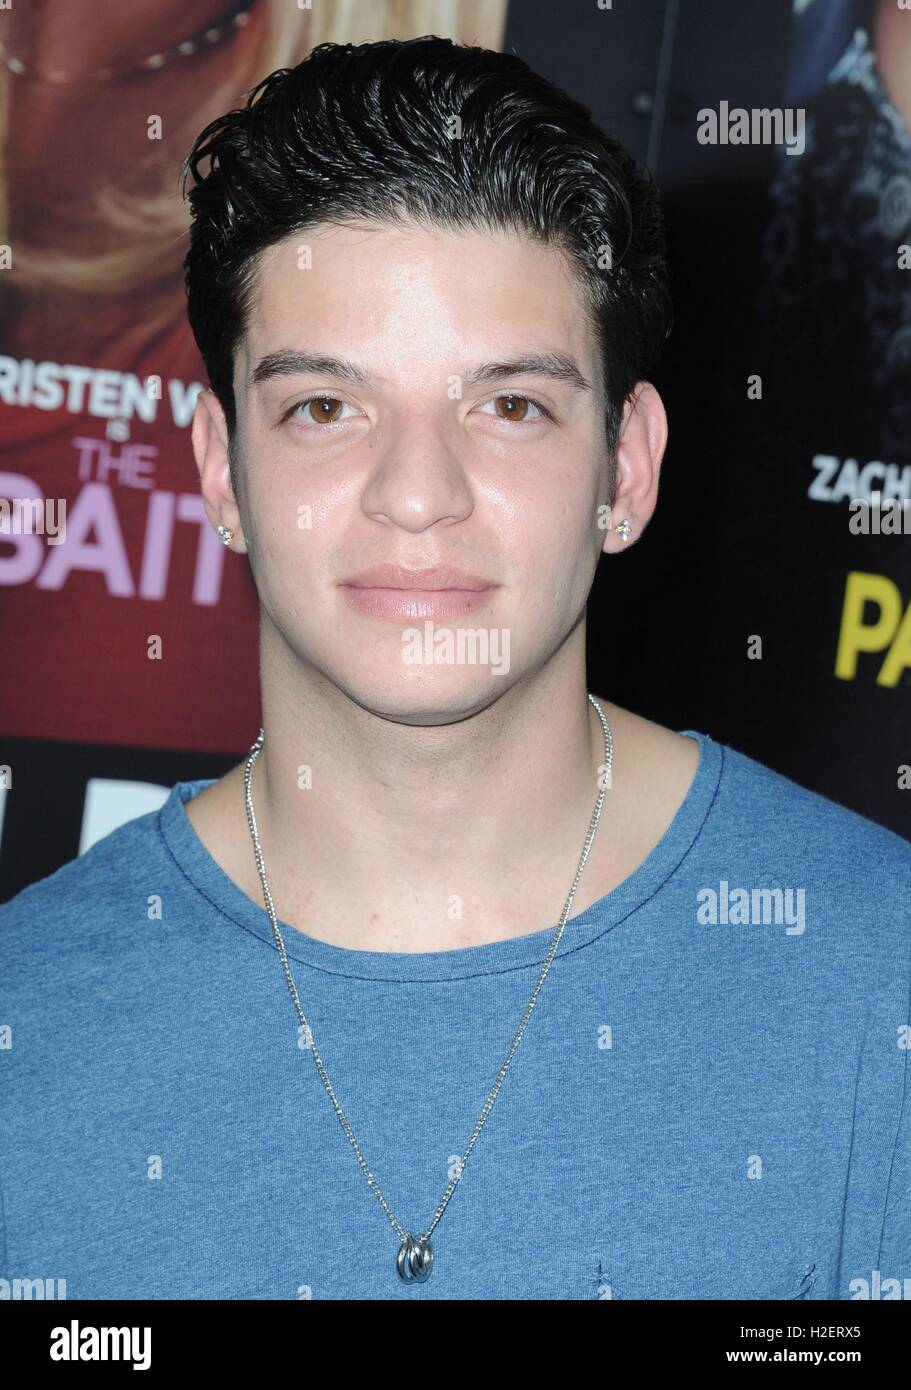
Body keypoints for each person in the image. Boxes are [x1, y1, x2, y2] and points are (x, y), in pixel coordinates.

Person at [1, 36, 908, 1302]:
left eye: (508, 406)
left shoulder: (881, 979)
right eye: (325, 406)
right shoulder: (23, 1026)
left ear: (624, 468)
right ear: (218, 467)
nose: (416, 494)